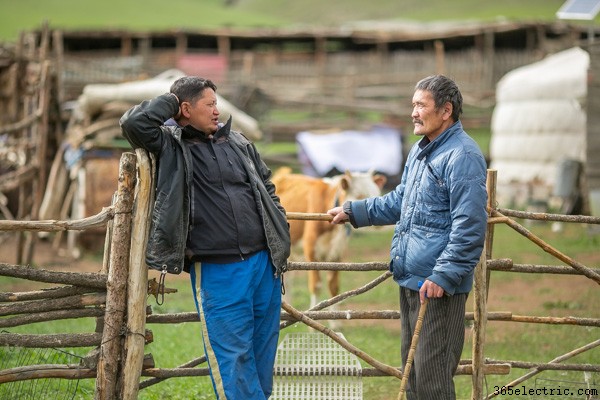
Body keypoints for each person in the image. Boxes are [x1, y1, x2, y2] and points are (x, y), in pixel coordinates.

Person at [120, 76, 291, 399]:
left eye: (217, 104)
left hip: (264, 264)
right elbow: (134, 124)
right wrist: (172, 102)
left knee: (261, 353)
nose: (217, 111)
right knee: (233, 356)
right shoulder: (171, 145)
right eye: (209, 105)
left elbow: (266, 186)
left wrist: (279, 224)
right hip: (218, 269)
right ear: (185, 109)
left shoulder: (238, 142)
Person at [327, 74, 488, 400]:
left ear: (446, 111)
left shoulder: (463, 157)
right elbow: (401, 201)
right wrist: (356, 211)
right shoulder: (420, 151)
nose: (413, 112)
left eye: (420, 105)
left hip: (438, 286)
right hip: (412, 279)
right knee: (413, 376)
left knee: (433, 381)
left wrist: (444, 275)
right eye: (412, 104)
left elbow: (469, 225)